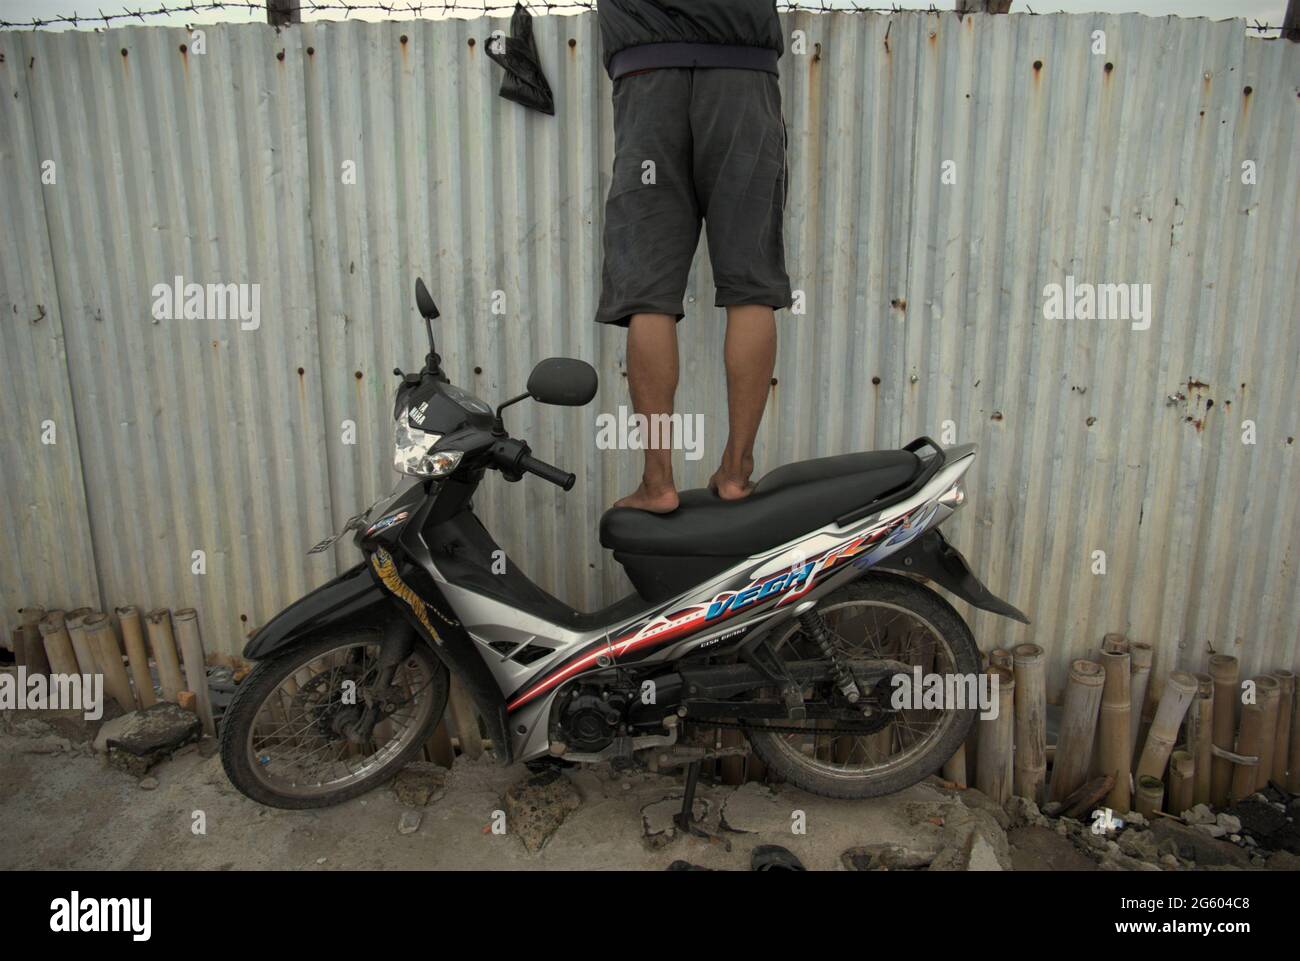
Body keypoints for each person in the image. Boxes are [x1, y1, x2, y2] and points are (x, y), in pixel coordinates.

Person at [596, 0, 791, 513]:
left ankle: (657, 482)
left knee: (648, 294)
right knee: (750, 284)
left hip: (645, 72)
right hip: (742, 71)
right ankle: (736, 471)